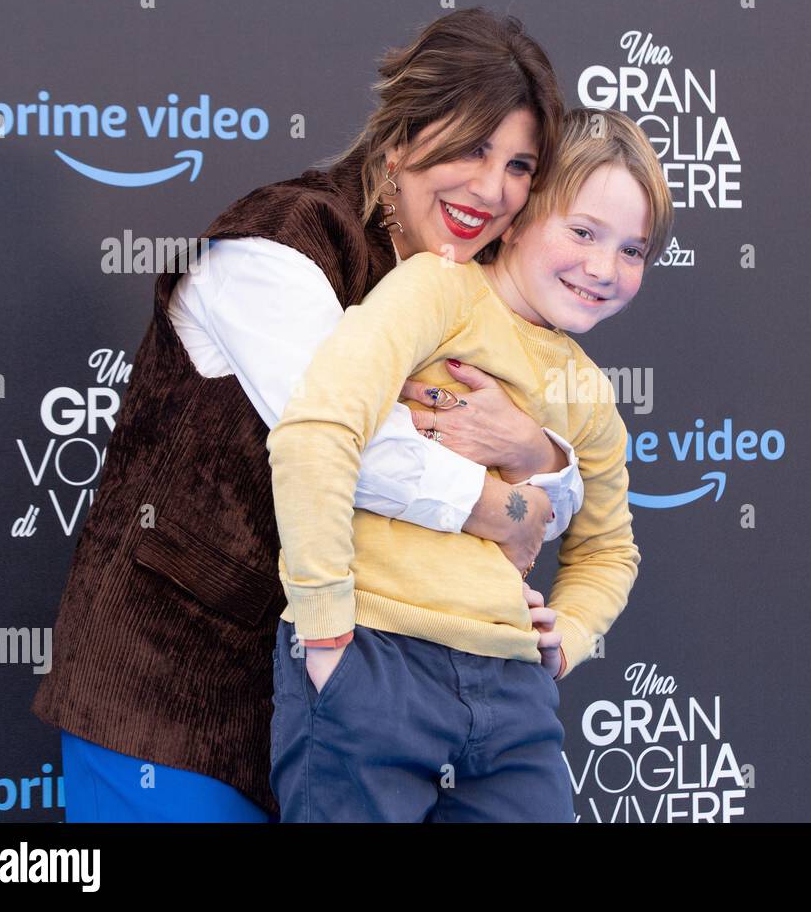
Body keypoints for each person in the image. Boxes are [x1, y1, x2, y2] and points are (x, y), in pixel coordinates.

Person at [31, 8, 575, 822]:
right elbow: (346, 448)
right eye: (470, 146)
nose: (492, 189)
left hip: (353, 720)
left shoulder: (474, 291)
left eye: (519, 165)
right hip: (168, 701)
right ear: (400, 135)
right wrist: (506, 508)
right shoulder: (279, 246)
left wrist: (534, 450)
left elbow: (563, 481)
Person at [268, 106, 675, 821]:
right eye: (582, 232)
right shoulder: (437, 290)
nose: (603, 268)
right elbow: (317, 431)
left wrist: (567, 635)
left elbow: (610, 549)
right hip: (374, 653)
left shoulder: (590, 394)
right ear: (515, 219)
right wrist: (326, 628)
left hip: (510, 693)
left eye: (634, 250)